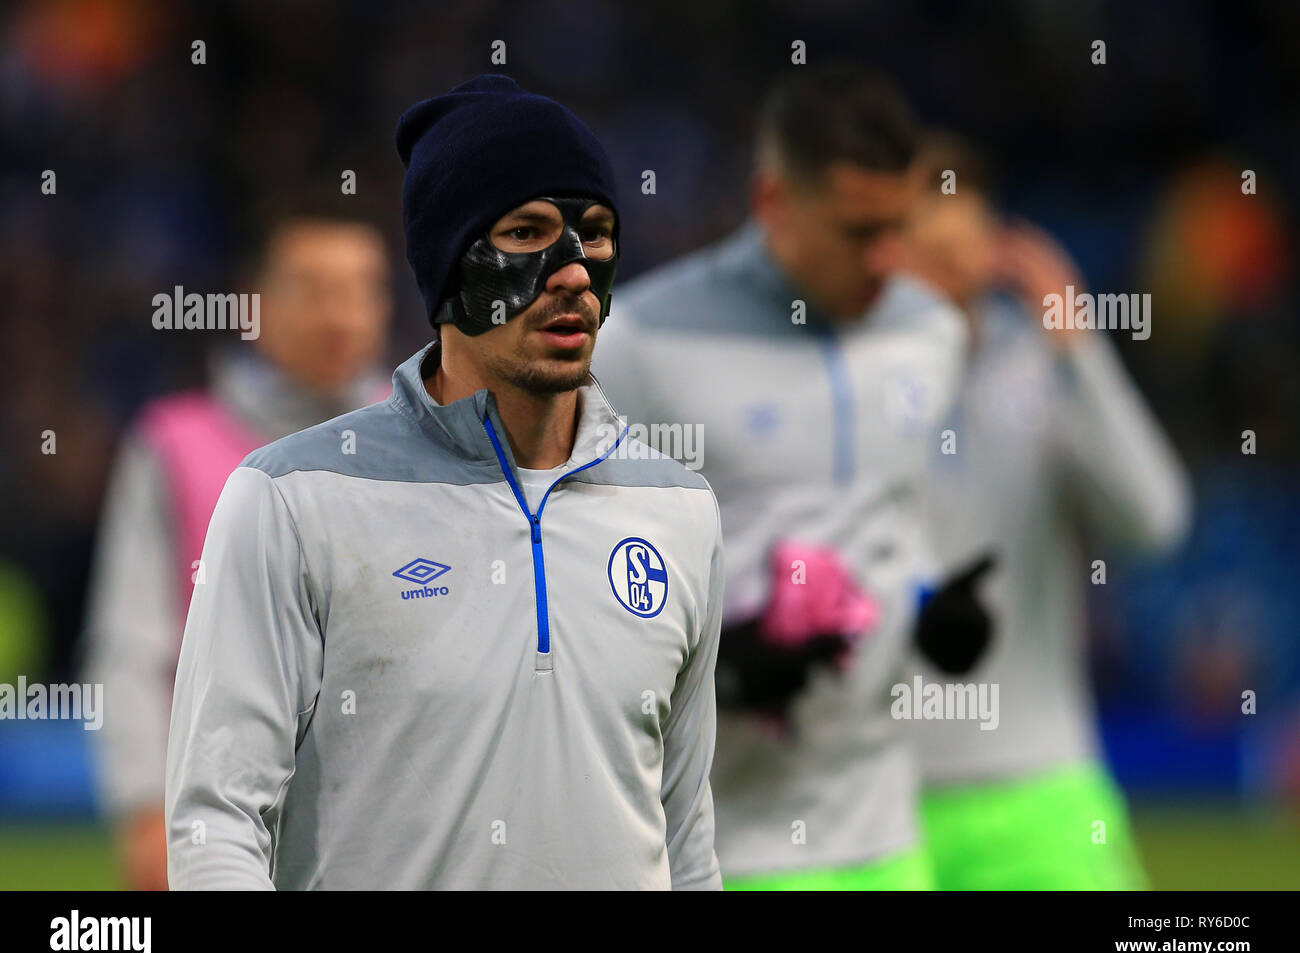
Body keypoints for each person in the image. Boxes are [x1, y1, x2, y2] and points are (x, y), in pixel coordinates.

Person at [164, 74, 725, 890]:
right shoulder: (292, 497)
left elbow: (688, 834)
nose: (572, 270)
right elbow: (217, 819)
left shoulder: (680, 508)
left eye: (595, 232)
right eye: (528, 232)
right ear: (449, 268)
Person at [595, 63, 985, 889]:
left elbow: (891, 517)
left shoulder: (930, 334)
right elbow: (560, 567)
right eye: (856, 230)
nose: (888, 259)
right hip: (719, 842)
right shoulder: (640, 345)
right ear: (773, 203)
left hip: (889, 834)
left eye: (900, 225)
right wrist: (714, 669)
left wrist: (929, 606)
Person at [899, 132, 1192, 889]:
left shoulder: (1042, 370)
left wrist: (1077, 345)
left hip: (1042, 789)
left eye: (956, 241)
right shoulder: (838, 387)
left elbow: (1156, 523)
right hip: (877, 802)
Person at [82, 197, 392, 891]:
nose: (338, 316)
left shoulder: (428, 450)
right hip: (226, 828)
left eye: (358, 290)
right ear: (255, 302)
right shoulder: (174, 445)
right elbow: (132, 645)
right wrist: (143, 809)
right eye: (312, 290)